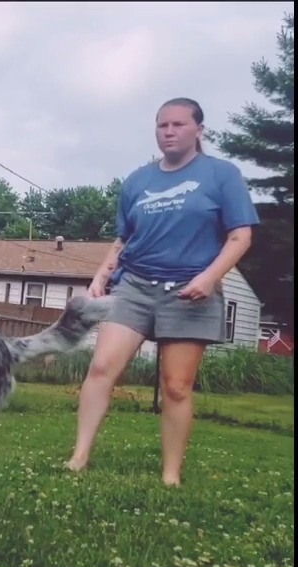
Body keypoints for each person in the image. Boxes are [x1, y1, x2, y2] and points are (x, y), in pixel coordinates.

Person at [66, 97, 260, 486]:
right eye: (162, 125)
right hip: (134, 284)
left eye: (178, 125)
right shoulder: (138, 181)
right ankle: (78, 457)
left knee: (176, 385)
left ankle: (171, 475)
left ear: (198, 130)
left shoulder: (222, 175)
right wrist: (102, 275)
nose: (168, 132)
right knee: (102, 367)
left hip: (191, 289)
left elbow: (241, 236)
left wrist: (209, 278)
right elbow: (125, 238)